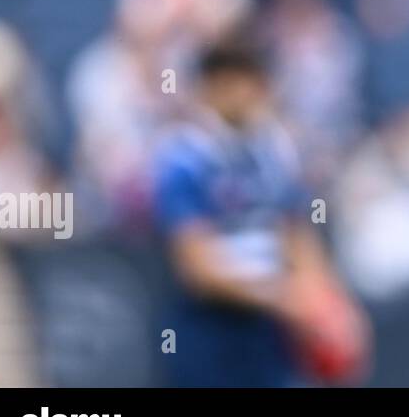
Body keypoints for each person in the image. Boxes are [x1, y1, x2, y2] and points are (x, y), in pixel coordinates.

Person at [152, 37, 368, 387]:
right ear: (209, 86)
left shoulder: (273, 150)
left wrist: (328, 302)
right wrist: (284, 298)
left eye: (251, 79)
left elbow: (296, 233)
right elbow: (197, 267)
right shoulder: (185, 156)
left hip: (267, 332)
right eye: (233, 81)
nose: (245, 92)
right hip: (212, 327)